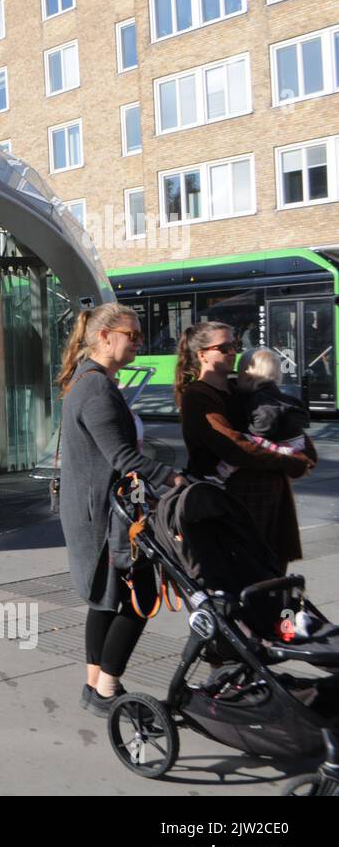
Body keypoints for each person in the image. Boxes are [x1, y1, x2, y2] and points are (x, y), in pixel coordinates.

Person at [56, 303, 186, 717]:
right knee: (140, 596)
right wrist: (174, 478)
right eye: (133, 335)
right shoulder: (95, 389)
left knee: (104, 600)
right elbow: (123, 458)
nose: (139, 343)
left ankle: (95, 686)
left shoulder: (91, 381)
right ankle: (109, 689)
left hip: (93, 511)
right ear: (104, 336)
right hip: (104, 517)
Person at [176, 323, 316, 573]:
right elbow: (234, 447)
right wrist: (292, 461)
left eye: (235, 345)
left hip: (266, 503)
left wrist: (301, 445)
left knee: (272, 578)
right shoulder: (198, 396)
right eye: (225, 347)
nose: (233, 352)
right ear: (202, 354)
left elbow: (282, 423)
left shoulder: (239, 388)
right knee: (246, 581)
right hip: (232, 505)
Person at [213, 347, 310, 481]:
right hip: (294, 443)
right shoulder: (273, 393)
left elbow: (265, 423)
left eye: (240, 372)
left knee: (243, 443)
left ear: (248, 374)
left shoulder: (262, 398)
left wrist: (251, 433)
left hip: (285, 447)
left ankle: (222, 473)